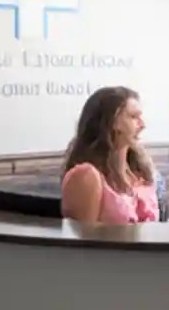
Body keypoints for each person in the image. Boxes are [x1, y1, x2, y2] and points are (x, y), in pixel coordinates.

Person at [60, 86, 161, 224]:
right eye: (133, 117)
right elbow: (83, 236)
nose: (142, 125)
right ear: (111, 121)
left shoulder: (141, 172)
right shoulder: (86, 176)